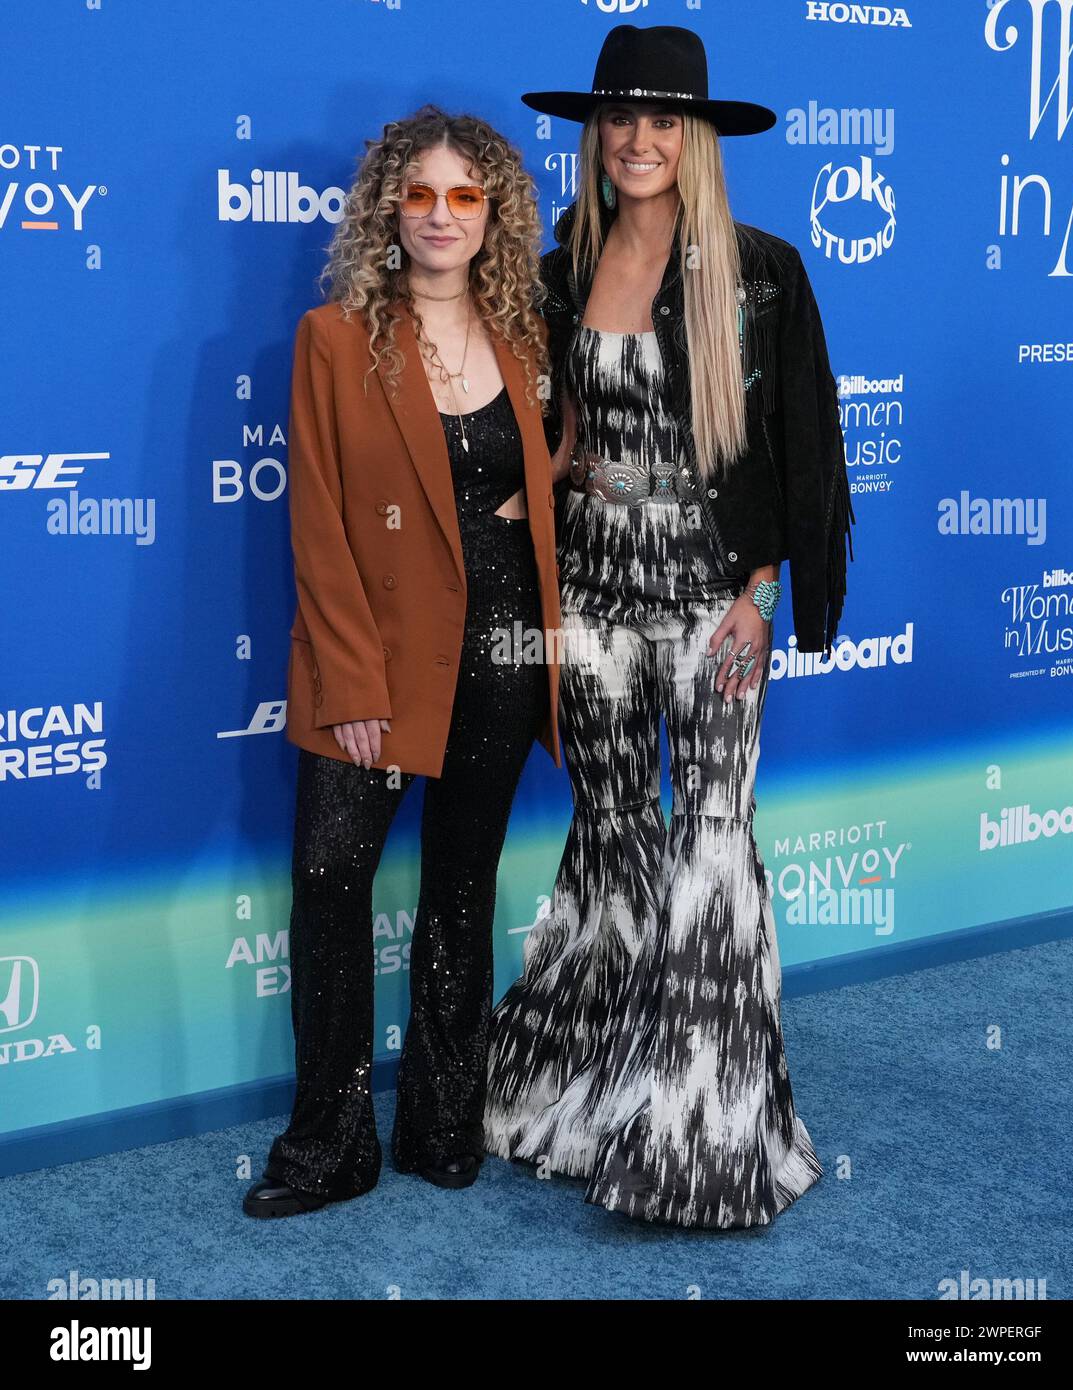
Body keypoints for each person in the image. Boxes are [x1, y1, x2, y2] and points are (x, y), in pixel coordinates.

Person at [485, 25, 856, 1231]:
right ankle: (581, 1101)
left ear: (693, 139)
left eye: (661, 121)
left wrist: (764, 594)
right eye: (617, 119)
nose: (637, 140)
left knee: (707, 838)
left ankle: (700, 1134)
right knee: (608, 836)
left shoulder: (758, 272)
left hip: (710, 598)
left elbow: (802, 451)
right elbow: (549, 435)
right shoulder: (550, 271)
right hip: (587, 593)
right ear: (593, 137)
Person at [244, 105, 563, 1218]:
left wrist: (551, 489)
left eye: (463, 196)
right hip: (372, 659)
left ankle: (442, 1121)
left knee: (461, 888)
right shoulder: (332, 338)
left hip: (503, 652)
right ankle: (329, 1143)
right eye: (418, 193)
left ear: (494, 215)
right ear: (389, 205)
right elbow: (319, 526)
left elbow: (571, 446)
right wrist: (354, 685)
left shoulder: (525, 332)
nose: (439, 215)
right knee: (332, 883)